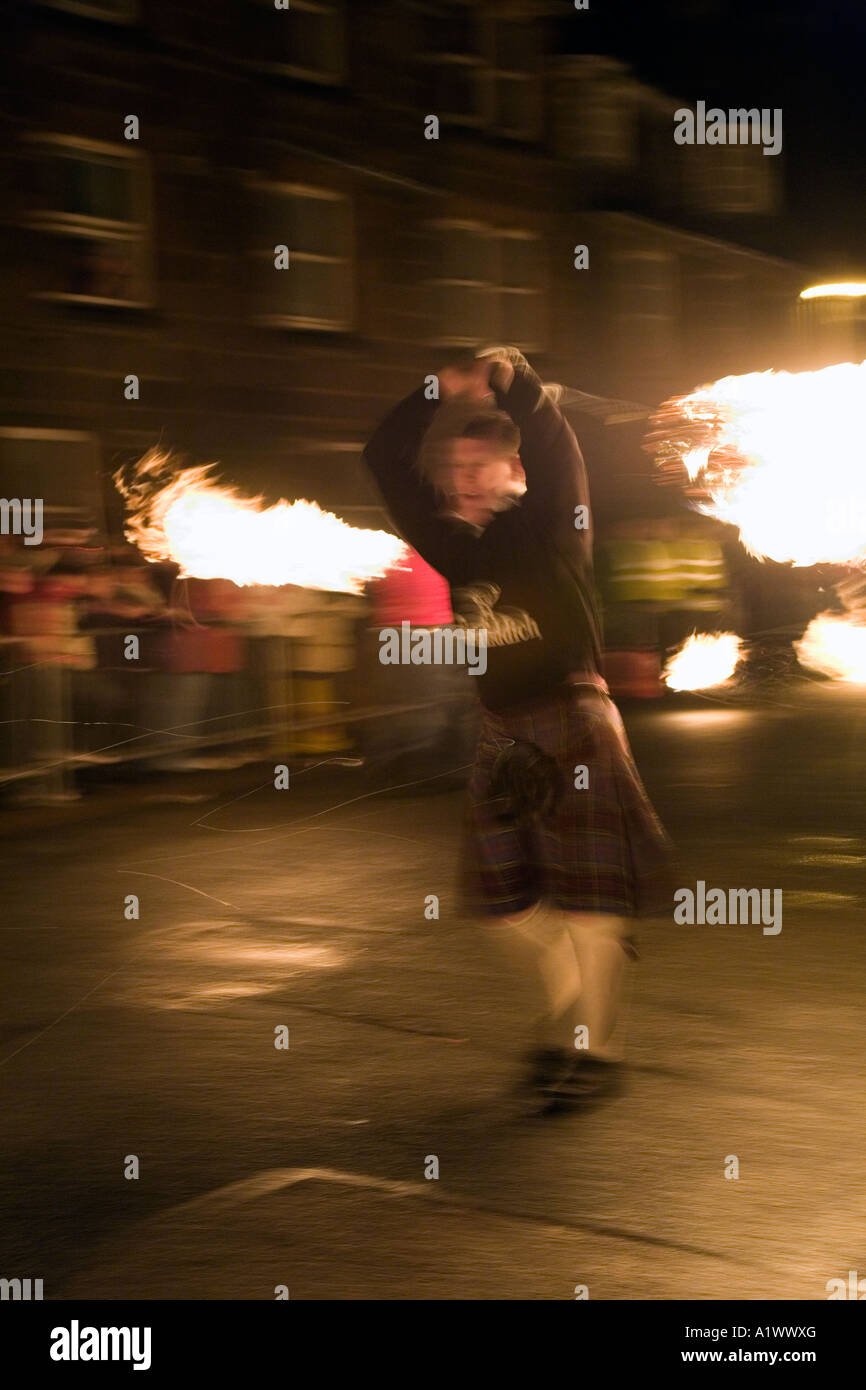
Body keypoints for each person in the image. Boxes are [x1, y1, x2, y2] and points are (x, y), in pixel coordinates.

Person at [363, 347, 672, 1112]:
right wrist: (438, 388)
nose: (468, 477)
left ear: (517, 473)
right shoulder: (449, 545)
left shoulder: (553, 526)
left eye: (485, 464)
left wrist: (507, 380)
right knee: (503, 905)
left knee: (589, 905)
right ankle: (568, 992)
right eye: (458, 467)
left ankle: (600, 1051)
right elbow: (382, 455)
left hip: (573, 715)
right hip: (502, 730)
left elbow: (557, 442)